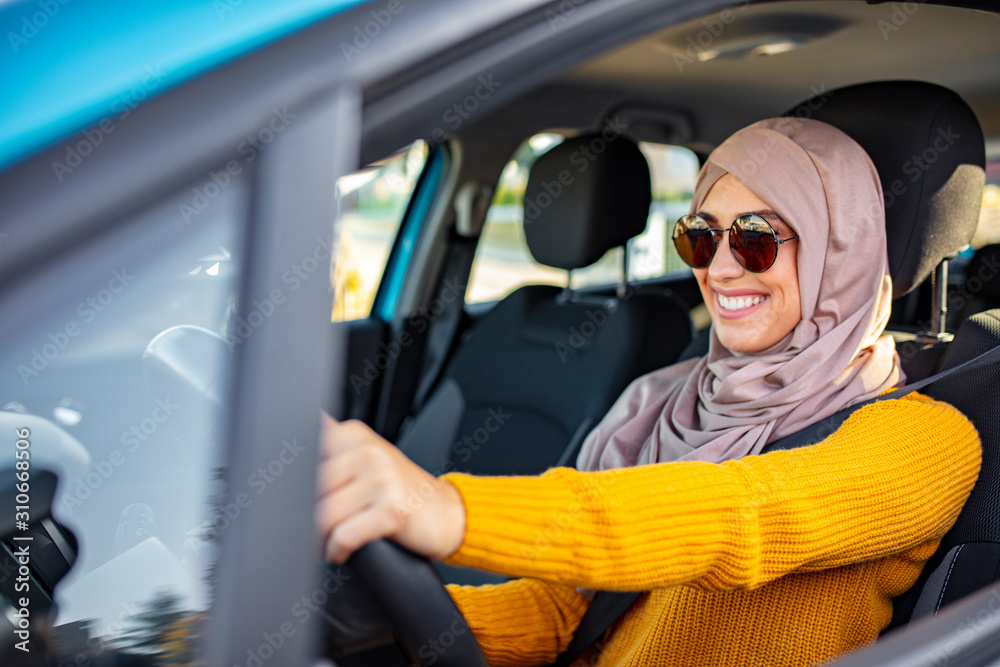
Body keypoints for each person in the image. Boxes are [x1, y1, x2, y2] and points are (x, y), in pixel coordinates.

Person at [315, 118, 982, 666]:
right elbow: (563, 613)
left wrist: (446, 508)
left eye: (757, 238)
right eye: (699, 235)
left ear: (842, 250)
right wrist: (386, 619)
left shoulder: (923, 441)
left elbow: (738, 514)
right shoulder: (658, 402)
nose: (720, 268)